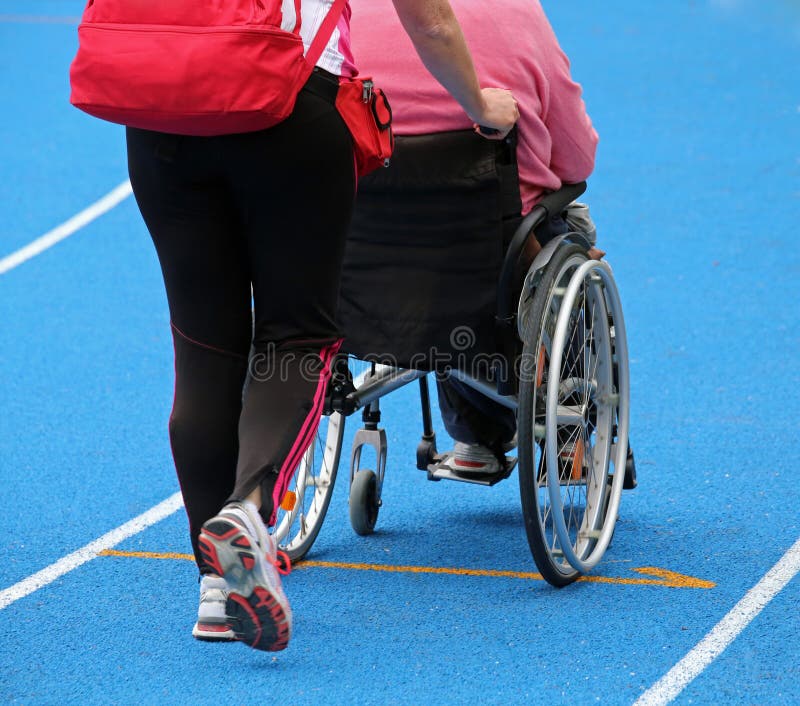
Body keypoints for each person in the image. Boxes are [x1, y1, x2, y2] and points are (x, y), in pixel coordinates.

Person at [125, 0, 518, 652]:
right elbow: (431, 20)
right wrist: (480, 105)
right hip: (287, 99)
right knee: (296, 336)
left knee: (203, 348)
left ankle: (216, 594)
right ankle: (247, 509)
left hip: (163, 105)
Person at [345, 0, 600, 474]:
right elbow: (577, 159)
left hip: (360, 253)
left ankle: (474, 437)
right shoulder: (517, 14)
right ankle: (562, 432)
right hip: (485, 259)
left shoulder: (343, 18)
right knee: (566, 231)